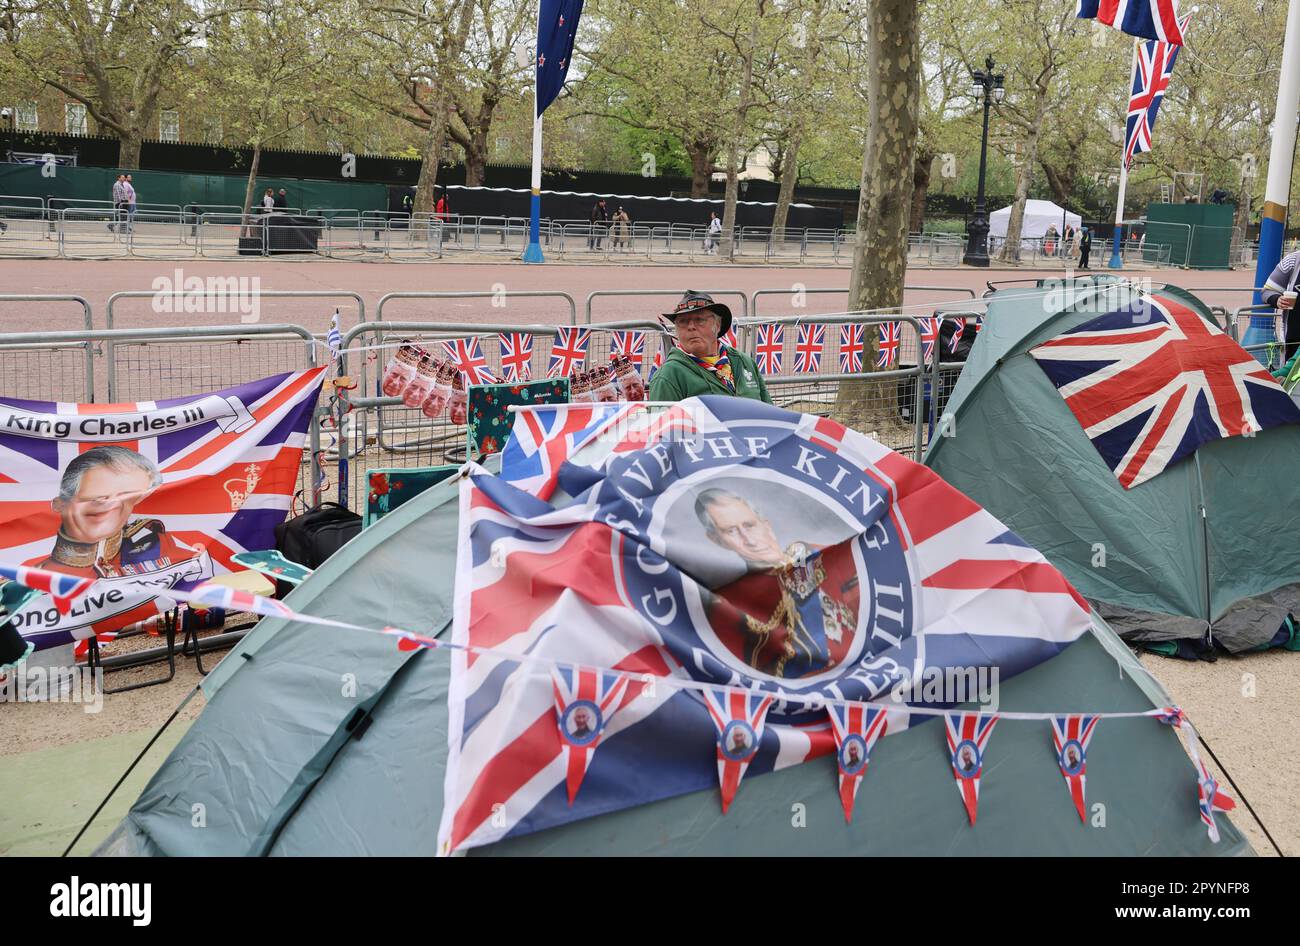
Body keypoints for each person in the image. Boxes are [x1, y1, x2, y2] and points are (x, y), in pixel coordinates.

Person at [696, 488, 860, 679]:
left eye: (749, 525)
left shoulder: (817, 555)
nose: (749, 540)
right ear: (717, 540)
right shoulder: (730, 602)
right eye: (731, 531)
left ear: (765, 525)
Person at [38, 446, 195, 580]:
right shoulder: (27, 580)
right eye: (98, 496)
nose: (112, 505)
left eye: (127, 497)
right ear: (60, 504)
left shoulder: (159, 551)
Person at [647, 291, 771, 403]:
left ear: (717, 325)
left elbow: (771, 414)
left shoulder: (745, 363)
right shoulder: (668, 376)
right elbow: (664, 426)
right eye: (683, 322)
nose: (691, 327)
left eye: (699, 319)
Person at [1259, 249, 1300, 360]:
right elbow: (1266, 292)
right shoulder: (1292, 260)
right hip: (1294, 338)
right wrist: (1277, 300)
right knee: (1291, 373)